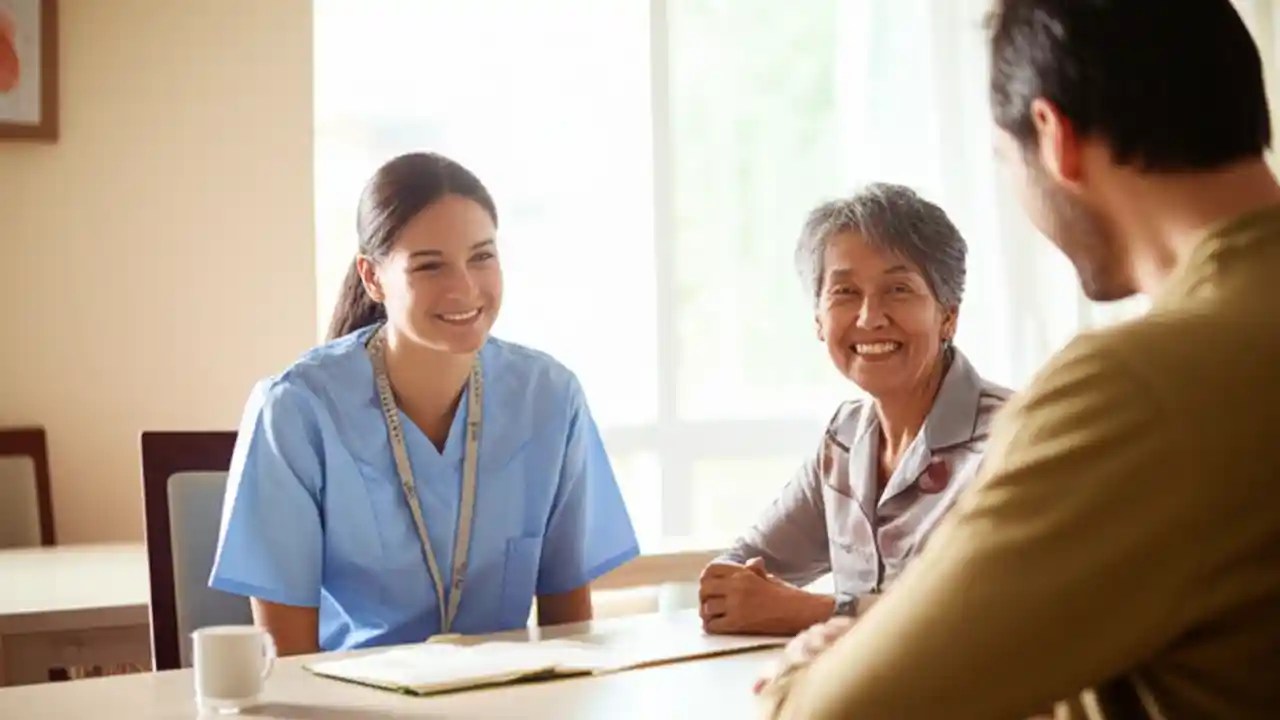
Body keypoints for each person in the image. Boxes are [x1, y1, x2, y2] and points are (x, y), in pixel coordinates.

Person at [757, 1, 1280, 717]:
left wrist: (811, 668)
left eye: (1004, 162)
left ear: (1052, 135)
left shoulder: (1133, 391)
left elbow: (835, 714)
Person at [209, 152, 639, 655]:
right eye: (430, 266)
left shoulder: (549, 398)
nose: (464, 288)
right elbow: (288, 665)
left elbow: (570, 638)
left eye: (482, 256)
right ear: (372, 277)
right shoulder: (297, 410)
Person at [700, 184, 1009, 636]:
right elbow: (731, 576)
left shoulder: (1013, 436)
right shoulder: (844, 439)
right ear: (818, 321)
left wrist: (815, 612)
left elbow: (985, 614)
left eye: (898, 289)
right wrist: (741, 595)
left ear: (948, 315)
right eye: (844, 292)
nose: (869, 318)